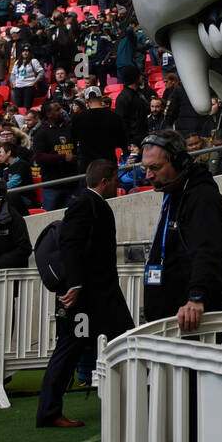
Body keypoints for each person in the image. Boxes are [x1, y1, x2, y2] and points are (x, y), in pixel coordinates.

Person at [36, 160, 134, 428]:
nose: (117, 185)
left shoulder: (89, 203)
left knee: (124, 339)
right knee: (73, 349)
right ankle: (49, 413)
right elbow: (70, 244)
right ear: (105, 181)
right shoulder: (84, 204)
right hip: (87, 298)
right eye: (115, 180)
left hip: (98, 296)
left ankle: (132, 401)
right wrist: (75, 285)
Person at [140, 131, 222, 328]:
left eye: (155, 167)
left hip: (191, 319)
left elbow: (207, 251)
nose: (148, 176)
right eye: (145, 168)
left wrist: (197, 297)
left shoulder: (202, 197)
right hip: (170, 319)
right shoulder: (172, 193)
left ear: (180, 162)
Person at [32, 101, 79, 211]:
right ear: (49, 114)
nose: (62, 111)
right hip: (52, 185)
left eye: (61, 108)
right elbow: (39, 157)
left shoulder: (69, 128)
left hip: (72, 182)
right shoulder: (41, 133)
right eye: (57, 109)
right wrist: (62, 157)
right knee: (50, 219)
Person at [71, 86, 128, 171]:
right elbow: (122, 140)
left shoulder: (77, 118)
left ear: (86, 101)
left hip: (89, 167)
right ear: (101, 98)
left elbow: (74, 139)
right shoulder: (114, 116)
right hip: (109, 164)